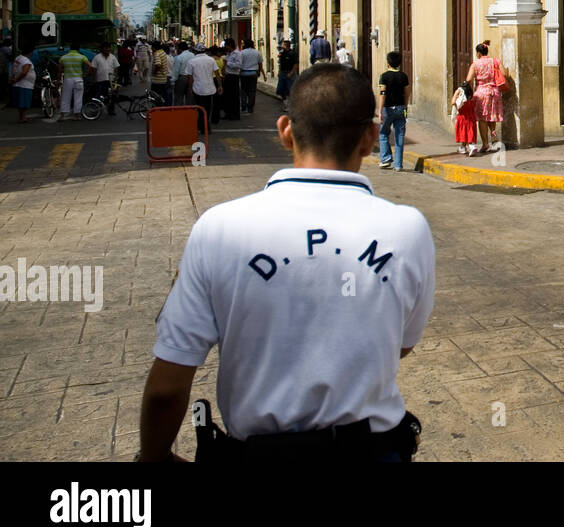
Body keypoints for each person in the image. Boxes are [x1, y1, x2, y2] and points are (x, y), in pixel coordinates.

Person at [138, 62, 435, 462]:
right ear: (369, 138)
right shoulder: (408, 228)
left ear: (285, 132)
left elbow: (167, 385)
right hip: (370, 452)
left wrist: (153, 457)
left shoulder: (219, 228)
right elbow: (400, 345)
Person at [469, 40, 505, 152]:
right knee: (492, 115)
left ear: (478, 53)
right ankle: (493, 134)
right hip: (495, 92)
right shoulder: (496, 61)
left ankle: (485, 144)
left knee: (482, 119)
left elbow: (469, 79)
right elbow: (505, 74)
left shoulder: (475, 64)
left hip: (481, 93)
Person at [377, 50, 410, 171]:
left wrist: (380, 110)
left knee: (383, 133)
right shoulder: (403, 76)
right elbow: (407, 93)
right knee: (400, 136)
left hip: (387, 109)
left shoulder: (384, 77)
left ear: (388, 63)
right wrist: (405, 107)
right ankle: (398, 164)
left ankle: (385, 158)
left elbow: (382, 94)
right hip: (400, 108)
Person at [187, 44, 221, 128]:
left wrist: (190, 88)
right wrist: (220, 86)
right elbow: (217, 74)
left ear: (195, 51)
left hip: (198, 88)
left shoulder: (191, 61)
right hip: (210, 88)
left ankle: (202, 124)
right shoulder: (211, 60)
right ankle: (205, 124)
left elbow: (190, 77)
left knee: (199, 107)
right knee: (208, 107)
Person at [58, 46, 90, 120]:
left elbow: (59, 70)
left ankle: (62, 115)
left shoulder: (63, 57)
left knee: (65, 96)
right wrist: (86, 74)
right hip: (78, 79)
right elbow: (90, 65)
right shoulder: (82, 57)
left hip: (67, 79)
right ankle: (76, 115)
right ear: (78, 49)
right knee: (78, 97)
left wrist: (59, 79)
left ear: (70, 49)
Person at [90, 42, 121, 115]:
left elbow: (116, 67)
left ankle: (111, 110)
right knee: (99, 95)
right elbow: (94, 69)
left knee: (112, 95)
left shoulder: (112, 57)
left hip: (111, 80)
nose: (108, 50)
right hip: (100, 79)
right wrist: (94, 79)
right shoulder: (97, 57)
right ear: (102, 49)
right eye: (106, 48)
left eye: (109, 48)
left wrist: (116, 78)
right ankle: (96, 110)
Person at [9, 44, 35, 123]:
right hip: (24, 85)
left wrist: (14, 79)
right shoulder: (26, 61)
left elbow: (14, 69)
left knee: (21, 102)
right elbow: (24, 72)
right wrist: (16, 79)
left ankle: (22, 117)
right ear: (30, 52)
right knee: (24, 103)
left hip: (20, 84)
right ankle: (22, 118)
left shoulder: (18, 58)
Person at [452, 80, 477, 156]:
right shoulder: (472, 96)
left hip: (463, 117)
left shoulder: (459, 91)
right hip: (471, 118)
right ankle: (462, 147)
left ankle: (471, 146)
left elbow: (453, 102)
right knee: (468, 132)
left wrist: (456, 93)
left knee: (464, 133)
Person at [240, 39, 264, 114]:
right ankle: (250, 107)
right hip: (253, 73)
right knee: (252, 91)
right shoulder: (257, 53)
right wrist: (259, 72)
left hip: (243, 73)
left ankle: (243, 105)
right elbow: (260, 64)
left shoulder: (242, 53)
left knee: (243, 90)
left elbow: (240, 64)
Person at [221, 38, 242, 122]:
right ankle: (228, 113)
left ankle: (235, 114)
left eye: (226, 45)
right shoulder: (228, 54)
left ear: (230, 45)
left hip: (233, 76)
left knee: (234, 96)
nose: (225, 47)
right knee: (227, 96)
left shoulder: (237, 54)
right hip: (227, 76)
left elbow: (238, 65)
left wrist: (227, 63)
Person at [277, 38, 299, 112]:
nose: (281, 45)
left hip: (290, 73)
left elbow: (296, 64)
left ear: (286, 45)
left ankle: (290, 105)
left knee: (290, 89)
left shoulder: (292, 53)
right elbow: (280, 63)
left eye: (282, 44)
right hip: (283, 73)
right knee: (281, 89)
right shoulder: (282, 53)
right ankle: (286, 103)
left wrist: (291, 73)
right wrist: (279, 71)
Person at [151, 40, 173, 106]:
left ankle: (156, 109)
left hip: (157, 79)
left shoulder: (157, 53)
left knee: (154, 95)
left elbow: (158, 64)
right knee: (163, 95)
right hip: (163, 78)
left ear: (154, 47)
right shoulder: (163, 52)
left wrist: (154, 72)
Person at [172, 41, 193, 106]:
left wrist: (173, 81)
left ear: (179, 48)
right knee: (189, 97)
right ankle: (189, 112)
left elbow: (176, 71)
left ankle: (179, 112)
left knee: (179, 97)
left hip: (181, 78)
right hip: (191, 77)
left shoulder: (179, 57)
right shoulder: (193, 55)